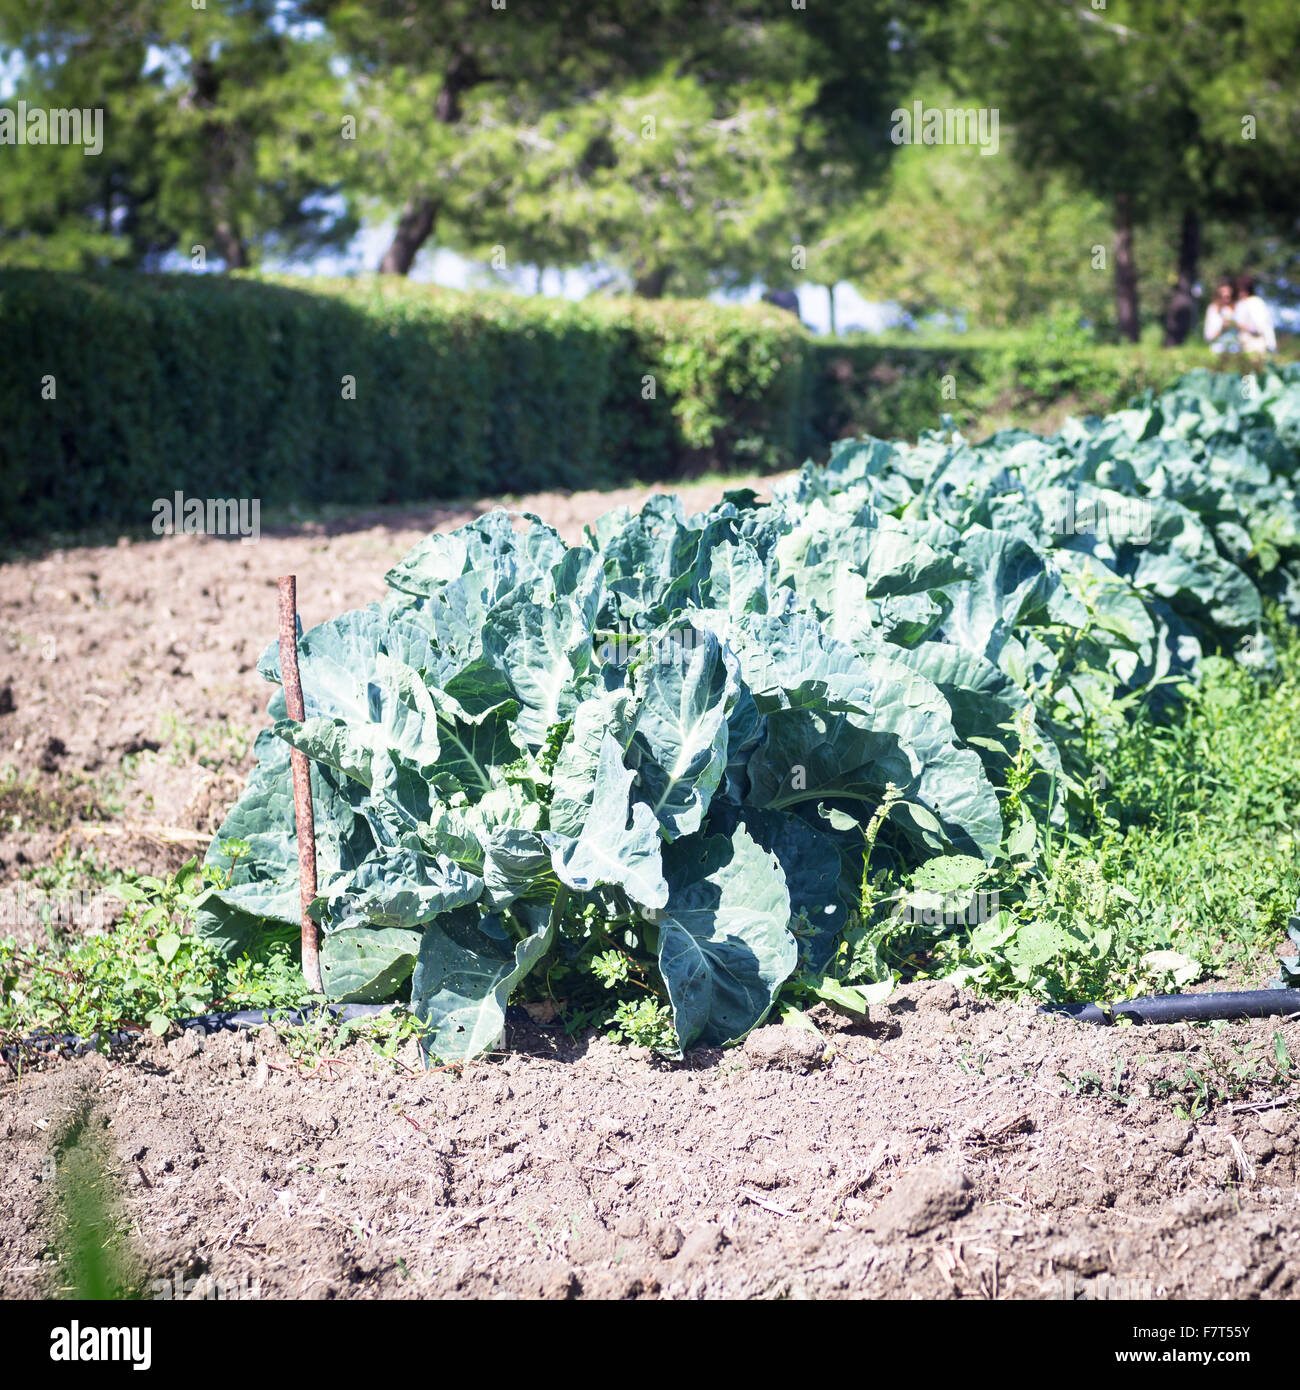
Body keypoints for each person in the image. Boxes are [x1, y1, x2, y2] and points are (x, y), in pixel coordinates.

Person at [1232, 274, 1277, 357]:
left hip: (1256, 343)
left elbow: (1260, 327)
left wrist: (1242, 326)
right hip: (1243, 344)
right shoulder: (1240, 304)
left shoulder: (1255, 302)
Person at [1204, 277, 1239, 352]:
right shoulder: (1213, 309)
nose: (1226, 298)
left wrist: (1236, 324)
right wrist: (1222, 329)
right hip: (1218, 349)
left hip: (1236, 349)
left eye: (1228, 296)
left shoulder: (1238, 308)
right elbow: (1208, 336)